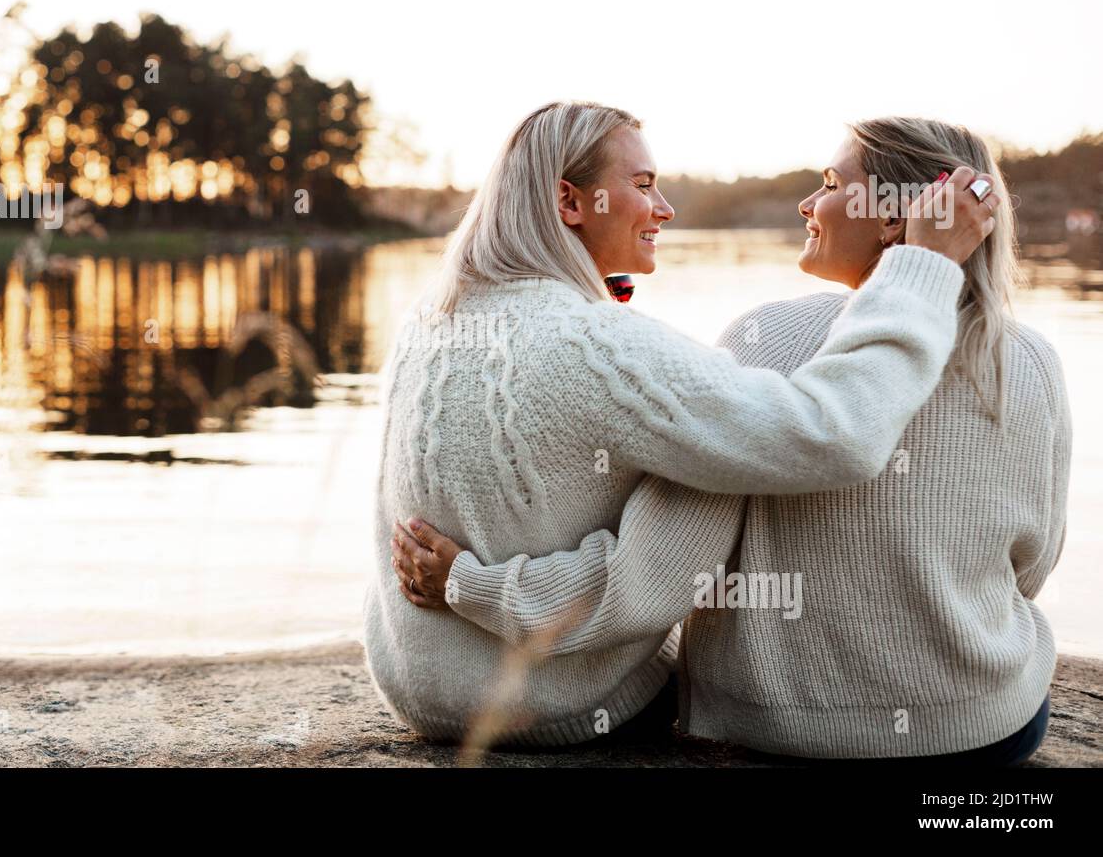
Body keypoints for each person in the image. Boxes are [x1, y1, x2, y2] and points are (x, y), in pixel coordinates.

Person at [393, 116, 1066, 764]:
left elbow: (658, 567)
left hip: (768, 725)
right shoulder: (1030, 363)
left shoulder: (760, 340)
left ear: (896, 216)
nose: (808, 201)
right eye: (645, 184)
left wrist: (472, 584)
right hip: (982, 730)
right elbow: (1031, 564)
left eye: (829, 185)